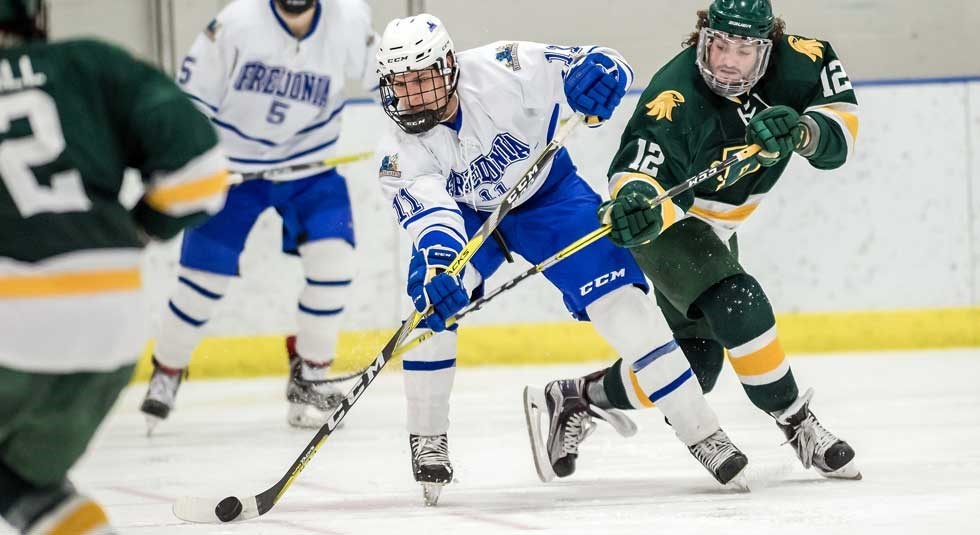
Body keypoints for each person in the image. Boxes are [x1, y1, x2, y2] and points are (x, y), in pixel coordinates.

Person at [375, 14, 749, 506]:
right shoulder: (397, 151)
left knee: (624, 305)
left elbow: (598, 61)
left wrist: (599, 75)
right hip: (465, 218)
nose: (414, 95)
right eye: (403, 84)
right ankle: (427, 438)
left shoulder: (504, 68)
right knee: (430, 308)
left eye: (424, 78)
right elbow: (434, 216)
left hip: (550, 198)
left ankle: (703, 433)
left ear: (449, 66)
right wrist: (441, 265)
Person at [561, 0, 860, 480]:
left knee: (696, 367)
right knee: (740, 302)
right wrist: (636, 201)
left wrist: (803, 131)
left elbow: (839, 140)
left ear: (768, 48)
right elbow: (638, 169)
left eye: (743, 49)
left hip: (718, 230)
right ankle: (798, 423)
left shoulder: (807, 60)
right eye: (718, 44)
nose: (726, 60)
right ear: (703, 36)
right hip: (668, 223)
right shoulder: (675, 93)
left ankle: (576, 396)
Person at [0, 0, 230, 532]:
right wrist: (144, 226)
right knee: (26, 487)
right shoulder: (92, 62)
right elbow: (200, 172)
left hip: (9, 324)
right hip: (112, 323)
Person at [139, 0, 380, 432]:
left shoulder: (349, 20)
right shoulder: (235, 23)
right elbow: (191, 98)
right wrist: (195, 164)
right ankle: (168, 370)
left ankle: (310, 377)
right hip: (234, 171)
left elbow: (388, 79)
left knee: (334, 266)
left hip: (311, 169)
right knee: (201, 285)